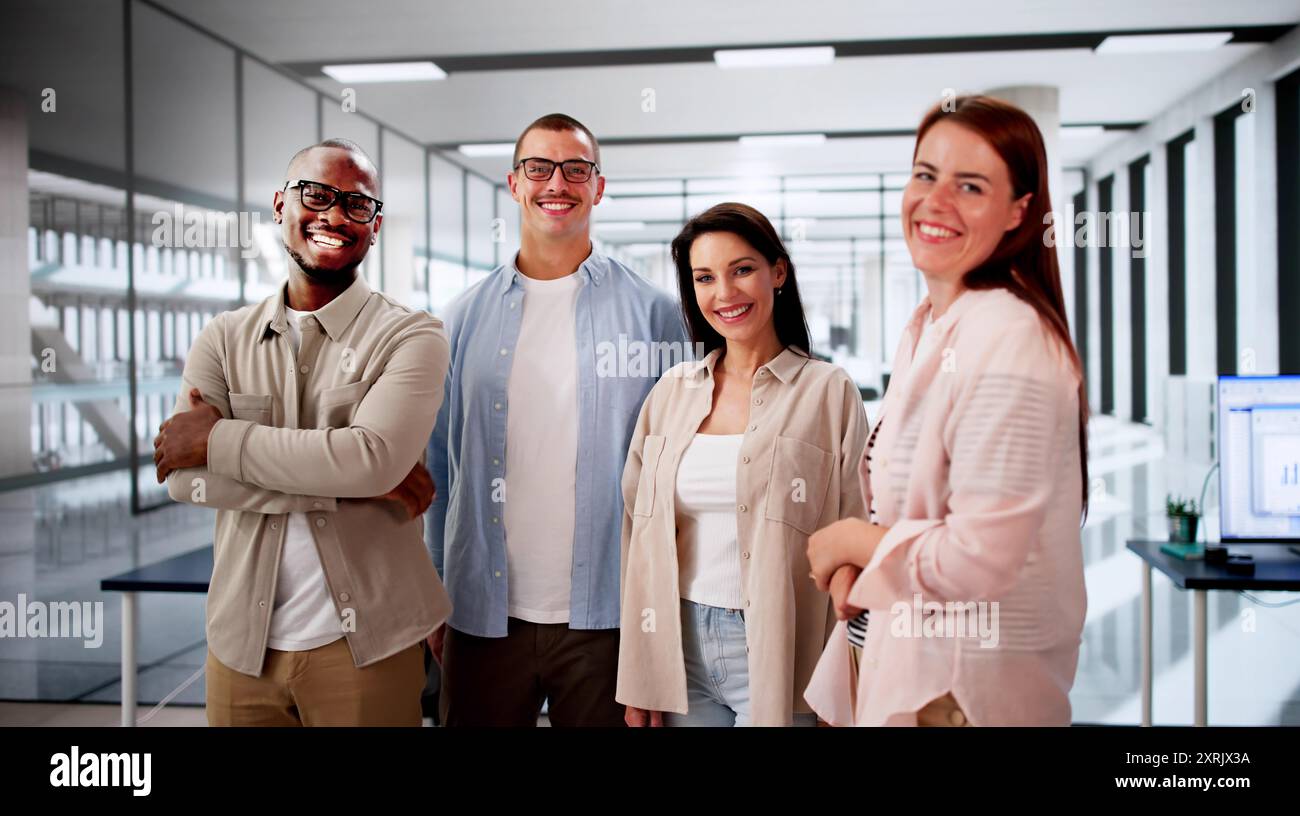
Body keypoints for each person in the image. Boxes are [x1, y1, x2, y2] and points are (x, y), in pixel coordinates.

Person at [803, 95, 1090, 727]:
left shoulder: (1011, 337)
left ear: (1019, 210)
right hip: (903, 665)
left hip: (964, 692)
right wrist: (864, 561)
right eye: (926, 175)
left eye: (970, 186)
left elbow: (975, 559)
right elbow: (912, 515)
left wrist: (852, 540)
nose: (936, 201)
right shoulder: (929, 327)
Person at [153, 138, 450, 726]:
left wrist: (218, 443)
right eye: (316, 194)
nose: (335, 216)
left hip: (370, 647)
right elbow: (185, 482)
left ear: (376, 224)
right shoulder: (222, 338)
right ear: (279, 204)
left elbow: (370, 461)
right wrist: (354, 480)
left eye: (357, 204)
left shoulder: (413, 336)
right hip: (242, 648)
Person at [427, 113, 689, 727]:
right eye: (539, 167)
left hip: (610, 618)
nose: (557, 183)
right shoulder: (461, 317)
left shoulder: (656, 315)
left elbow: (678, 468)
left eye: (577, 169)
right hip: (481, 613)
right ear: (515, 183)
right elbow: (438, 467)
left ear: (598, 187)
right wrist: (435, 593)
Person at [618, 203, 868, 727]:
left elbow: (856, 535)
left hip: (781, 648)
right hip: (678, 647)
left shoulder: (827, 391)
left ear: (778, 272)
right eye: (705, 277)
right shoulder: (671, 393)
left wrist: (846, 677)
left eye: (742, 270)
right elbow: (636, 536)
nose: (724, 294)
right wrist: (639, 671)